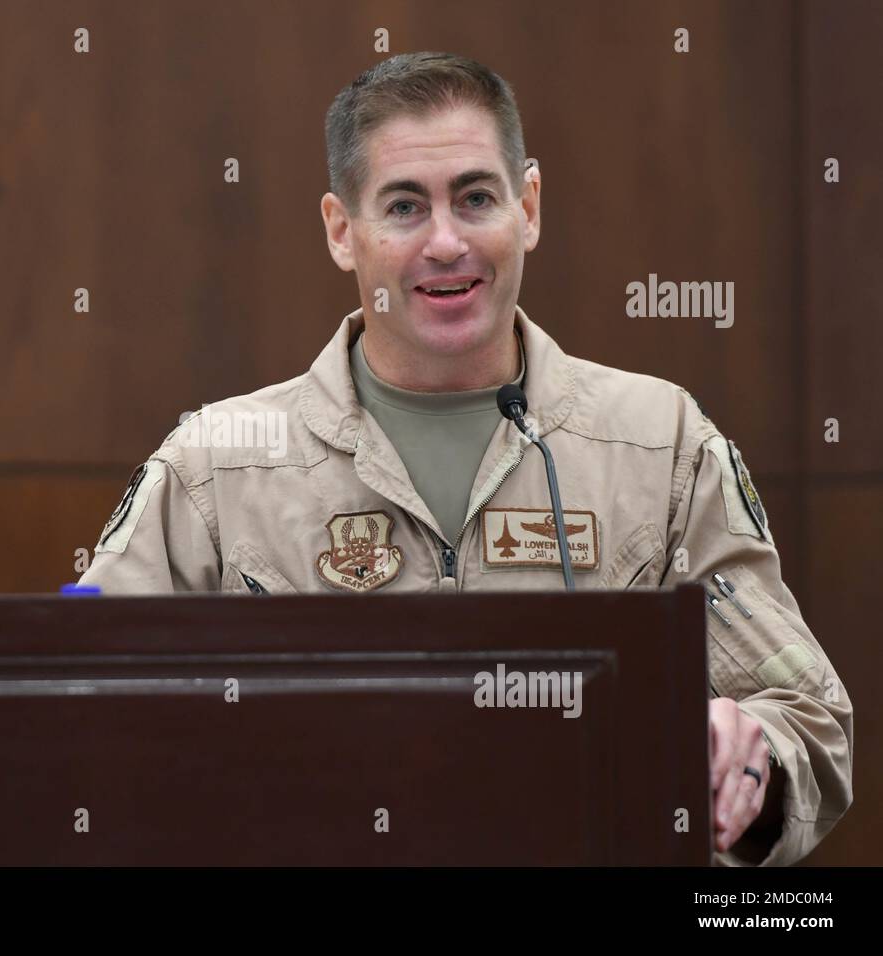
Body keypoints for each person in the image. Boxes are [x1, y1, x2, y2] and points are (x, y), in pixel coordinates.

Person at [77, 52, 852, 866]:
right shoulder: (215, 467)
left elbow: (810, 722)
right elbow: (72, 712)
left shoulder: (660, 446)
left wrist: (750, 758)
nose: (446, 242)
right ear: (344, 232)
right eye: (405, 207)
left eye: (477, 198)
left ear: (529, 207)